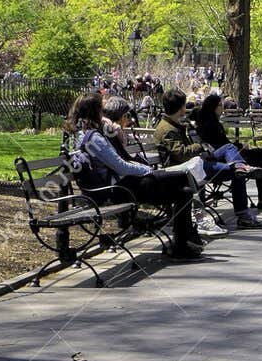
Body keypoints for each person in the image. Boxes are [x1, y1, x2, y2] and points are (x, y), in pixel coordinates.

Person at [67, 92, 203, 259]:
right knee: (182, 180)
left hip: (121, 185)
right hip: (120, 189)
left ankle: (182, 244)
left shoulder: (84, 134)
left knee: (184, 188)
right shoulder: (94, 138)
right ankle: (184, 242)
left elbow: (120, 162)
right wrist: (148, 170)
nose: (104, 113)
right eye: (101, 109)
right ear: (94, 111)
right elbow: (121, 166)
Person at [155, 89, 262, 229]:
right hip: (188, 169)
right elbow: (181, 154)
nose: (186, 107)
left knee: (229, 148)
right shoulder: (167, 129)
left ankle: (241, 166)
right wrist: (198, 146)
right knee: (237, 172)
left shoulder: (175, 124)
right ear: (180, 107)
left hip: (198, 162)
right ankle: (243, 215)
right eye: (184, 104)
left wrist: (202, 147)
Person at [193, 92, 262, 213]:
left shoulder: (212, 122)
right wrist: (239, 147)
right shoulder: (210, 125)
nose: (223, 108)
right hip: (221, 158)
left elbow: (223, 143)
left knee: (260, 153)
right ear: (213, 107)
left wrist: (239, 146)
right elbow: (221, 145)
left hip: (226, 154)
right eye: (220, 105)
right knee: (260, 155)